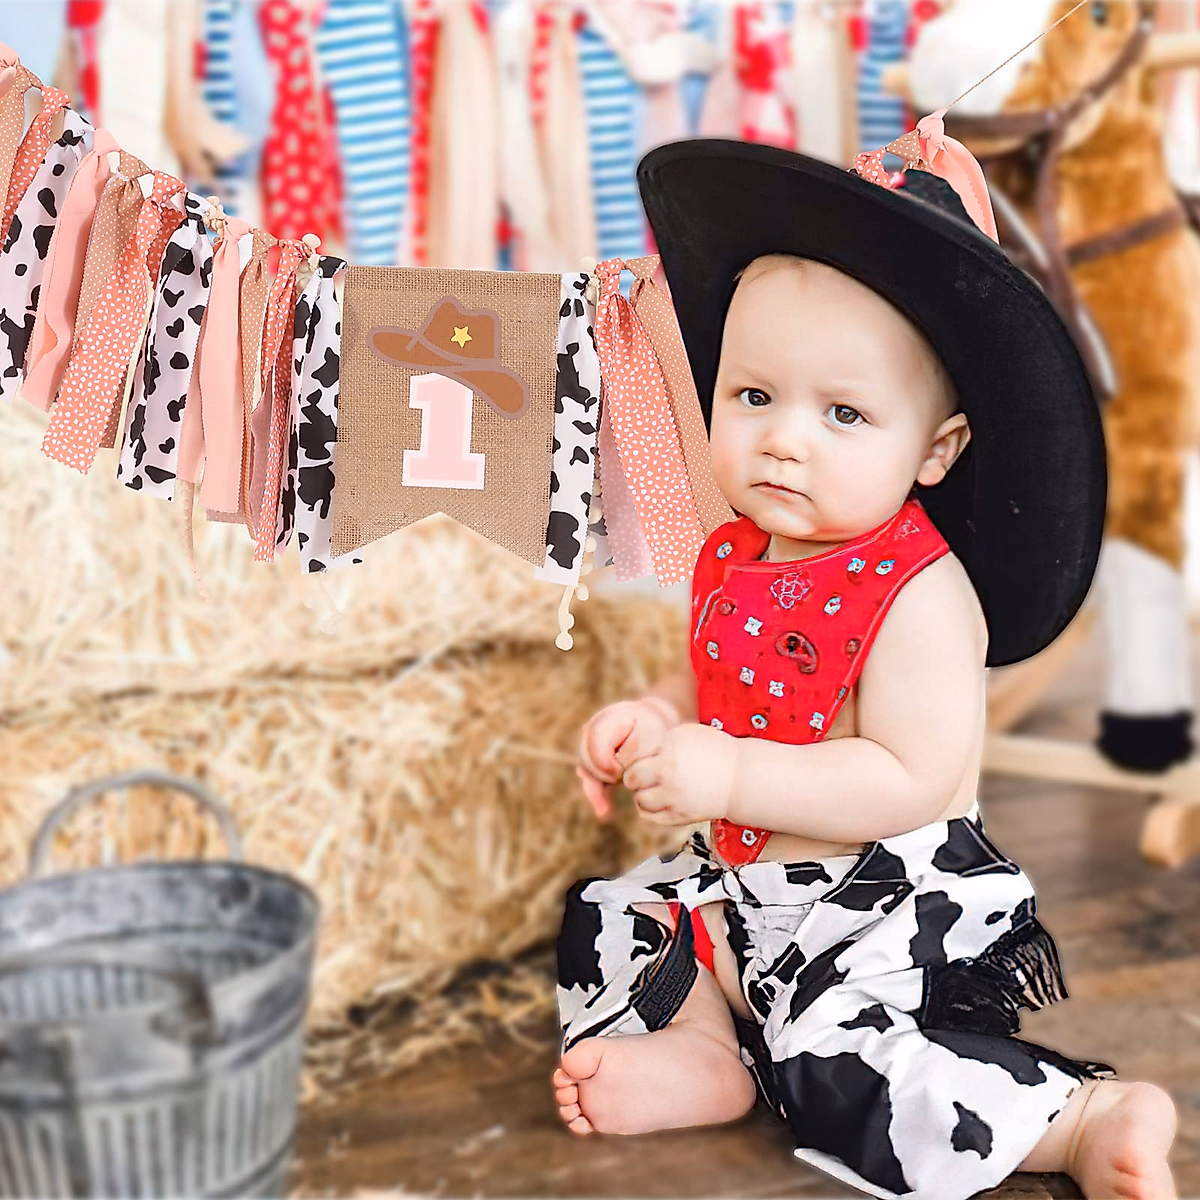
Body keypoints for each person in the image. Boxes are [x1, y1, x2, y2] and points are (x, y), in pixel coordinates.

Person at [553, 133, 1178, 1200]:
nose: (785, 441)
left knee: (836, 1063)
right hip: (743, 885)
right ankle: (706, 1046)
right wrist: (654, 721)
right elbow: (708, 682)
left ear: (935, 451)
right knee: (611, 913)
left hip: (878, 905)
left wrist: (733, 778)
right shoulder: (735, 549)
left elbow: (910, 777)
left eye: (843, 414)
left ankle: (1071, 1119)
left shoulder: (919, 595)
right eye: (754, 397)